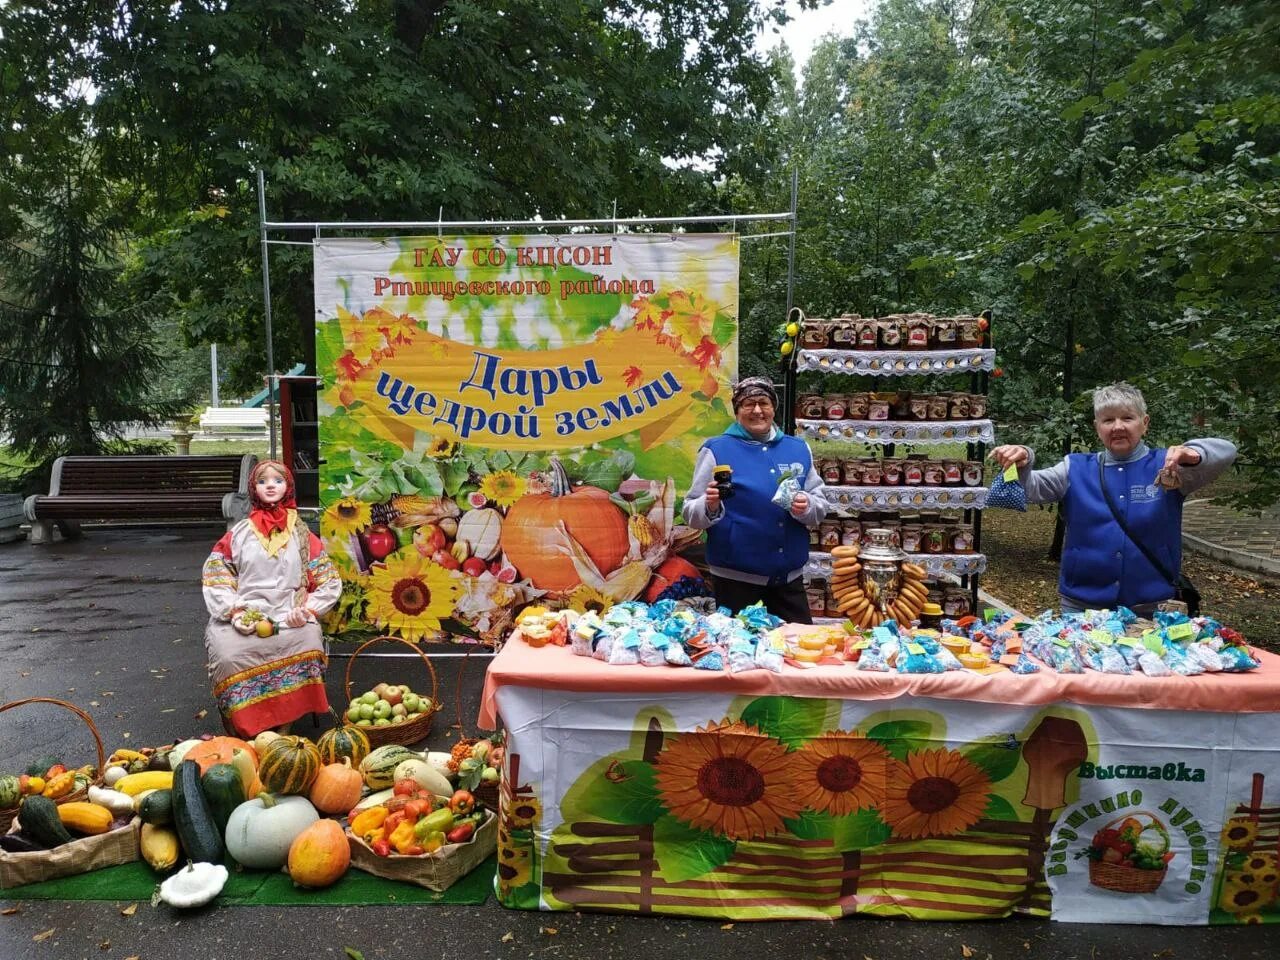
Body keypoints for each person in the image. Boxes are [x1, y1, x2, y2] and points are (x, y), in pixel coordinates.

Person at [989, 383, 1236, 615]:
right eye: (1108, 420)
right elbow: (1030, 489)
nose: (1117, 426)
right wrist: (1024, 460)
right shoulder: (1074, 468)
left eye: (1127, 418)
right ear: (1097, 427)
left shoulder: (1169, 466)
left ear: (1144, 423)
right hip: (1082, 607)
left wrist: (1194, 454)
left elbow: (1227, 451)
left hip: (1151, 607)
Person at [201, 460, 341, 736]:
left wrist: (307, 609)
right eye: (262, 481)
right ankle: (246, 731)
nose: (270, 486)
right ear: (253, 488)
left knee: (307, 644)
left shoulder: (303, 535)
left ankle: (284, 729)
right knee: (228, 656)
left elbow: (329, 579)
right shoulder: (238, 534)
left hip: (290, 615)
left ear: (288, 487)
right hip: (246, 615)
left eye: (278, 480)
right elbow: (216, 576)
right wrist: (235, 611)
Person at [683, 376, 829, 622]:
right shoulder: (716, 449)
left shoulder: (797, 448)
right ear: (737, 411)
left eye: (764, 403)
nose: (757, 410)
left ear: (773, 408)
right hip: (736, 581)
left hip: (788, 579)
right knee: (739, 645)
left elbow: (820, 505)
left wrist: (807, 506)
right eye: (748, 404)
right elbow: (690, 513)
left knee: (797, 641)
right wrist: (709, 505)